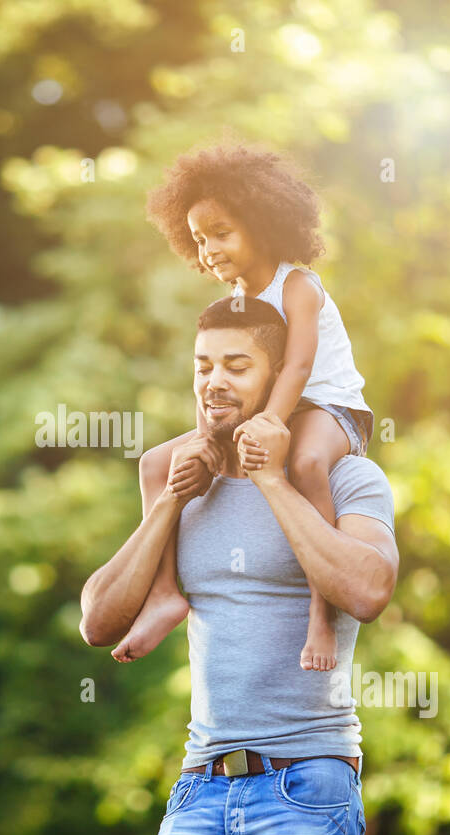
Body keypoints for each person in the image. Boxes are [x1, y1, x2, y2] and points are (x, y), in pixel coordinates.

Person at [79, 296, 398, 835]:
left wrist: (271, 480)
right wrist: (172, 501)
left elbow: (370, 591)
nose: (214, 382)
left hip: (305, 784)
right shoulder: (178, 478)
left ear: (277, 377)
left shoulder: (343, 475)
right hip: (199, 786)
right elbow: (98, 622)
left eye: (236, 365)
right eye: (203, 366)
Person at [115, 142, 374, 671]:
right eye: (198, 239)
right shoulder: (228, 304)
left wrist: (267, 424)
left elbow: (298, 367)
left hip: (331, 408)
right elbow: (211, 383)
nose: (209, 248)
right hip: (272, 410)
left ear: (262, 222)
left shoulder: (297, 286)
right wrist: (203, 442)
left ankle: (321, 615)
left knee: (302, 463)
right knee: (157, 466)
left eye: (221, 233)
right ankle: (165, 593)